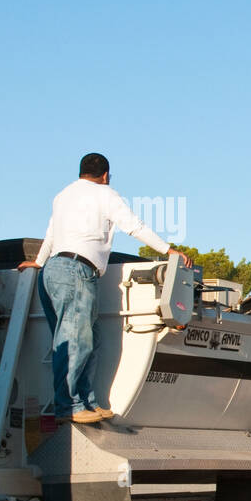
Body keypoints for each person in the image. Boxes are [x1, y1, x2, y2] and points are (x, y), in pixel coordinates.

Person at [19, 153, 192, 424]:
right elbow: (135, 227)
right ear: (105, 175)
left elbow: (52, 232)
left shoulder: (63, 196)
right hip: (77, 270)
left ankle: (88, 401)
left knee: (87, 338)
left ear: (81, 172)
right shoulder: (106, 195)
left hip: (53, 270)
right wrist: (169, 250)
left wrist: (39, 263)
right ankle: (69, 406)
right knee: (76, 341)